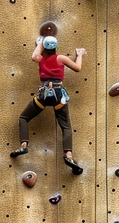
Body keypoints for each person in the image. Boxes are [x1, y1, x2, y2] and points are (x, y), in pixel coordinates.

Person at [11, 36, 85, 175]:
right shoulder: (61, 58)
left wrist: (39, 44)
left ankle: (24, 145)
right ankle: (68, 155)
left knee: (24, 117)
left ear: (44, 47)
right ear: (56, 47)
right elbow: (78, 68)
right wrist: (79, 55)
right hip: (58, 96)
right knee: (65, 127)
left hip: (44, 95)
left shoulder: (40, 58)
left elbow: (34, 56)